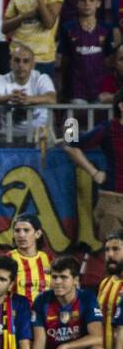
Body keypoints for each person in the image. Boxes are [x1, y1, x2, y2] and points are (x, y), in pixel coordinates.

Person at [31, 257, 108, 349]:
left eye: (63, 277)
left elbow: (98, 337)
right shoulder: (41, 301)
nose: (57, 282)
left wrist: (64, 347)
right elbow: (39, 347)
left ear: (76, 280)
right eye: (54, 277)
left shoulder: (87, 298)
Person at [63, 90, 123, 238]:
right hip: (114, 200)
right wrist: (94, 173)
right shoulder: (108, 129)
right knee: (114, 255)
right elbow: (71, 145)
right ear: (121, 106)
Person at [0, 41, 57, 142]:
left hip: (38, 135)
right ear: (11, 63)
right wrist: (10, 97)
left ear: (33, 64)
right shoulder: (1, 79)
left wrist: (29, 100)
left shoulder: (41, 78)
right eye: (17, 60)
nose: (21, 65)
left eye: (26, 61)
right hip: (8, 136)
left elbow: (51, 98)